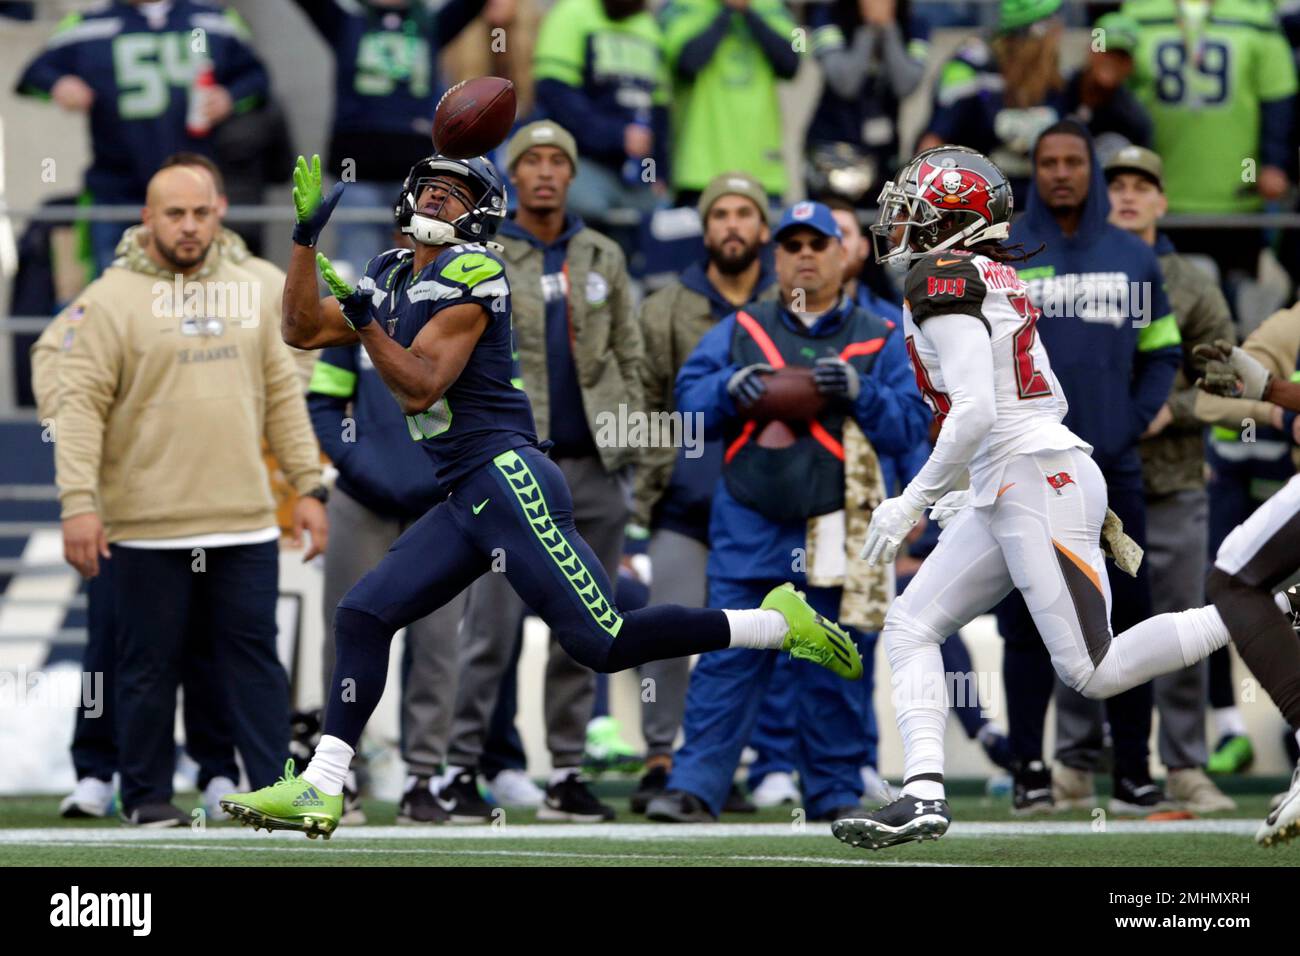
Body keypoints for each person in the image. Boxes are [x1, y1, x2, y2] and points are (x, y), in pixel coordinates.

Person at [217, 151, 862, 838]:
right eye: (429, 187)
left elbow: (420, 385)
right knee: (363, 616)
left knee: (604, 640)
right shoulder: (390, 270)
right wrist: (304, 241)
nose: (436, 198)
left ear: (481, 213)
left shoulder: (475, 270)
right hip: (466, 490)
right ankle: (321, 785)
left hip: (508, 477)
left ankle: (775, 622)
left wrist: (369, 324)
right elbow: (300, 329)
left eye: (453, 192)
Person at [831, 145, 1232, 851]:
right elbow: (996, 405)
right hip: (1020, 474)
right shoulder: (986, 272)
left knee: (1092, 670)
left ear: (953, 221)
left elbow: (979, 410)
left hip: (1035, 474)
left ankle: (1259, 611)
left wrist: (916, 498)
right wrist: (965, 485)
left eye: (918, 214)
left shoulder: (944, 275)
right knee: (911, 626)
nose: (902, 227)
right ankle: (923, 793)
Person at [52, 164, 326, 827]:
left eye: (200, 213)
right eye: (173, 214)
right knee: (147, 667)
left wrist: (309, 486)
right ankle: (145, 797)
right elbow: (79, 407)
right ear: (147, 218)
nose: (188, 226)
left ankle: (274, 792)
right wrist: (78, 503)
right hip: (146, 522)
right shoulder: (110, 298)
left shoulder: (251, 291)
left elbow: (282, 396)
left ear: (221, 211)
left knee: (255, 664)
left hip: (244, 519)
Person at [646, 201, 931, 823]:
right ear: (775, 257)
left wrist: (863, 392)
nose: (804, 254)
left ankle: (832, 792)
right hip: (749, 517)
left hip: (840, 522)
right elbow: (687, 401)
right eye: (792, 244)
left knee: (835, 659)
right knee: (729, 659)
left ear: (843, 254)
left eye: (817, 244)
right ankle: (696, 787)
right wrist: (725, 390)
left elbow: (913, 422)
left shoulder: (880, 335)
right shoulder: (742, 329)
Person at [434, 121, 642, 823]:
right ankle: (459, 769)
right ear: (513, 176)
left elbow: (632, 358)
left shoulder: (602, 254)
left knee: (587, 629)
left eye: (559, 160)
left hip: (593, 466)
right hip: (512, 467)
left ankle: (568, 772)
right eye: (533, 162)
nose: (547, 173)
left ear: (572, 173)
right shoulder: (481, 253)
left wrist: (630, 453)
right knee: (492, 629)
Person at [993, 120, 1182, 816]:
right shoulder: (1006, 256)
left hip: (1113, 473)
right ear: (1034, 172)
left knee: (1128, 618)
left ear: (1091, 172)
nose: (1062, 173)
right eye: (1049, 163)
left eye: (1074, 161)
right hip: (1026, 471)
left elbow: (1163, 351)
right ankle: (1028, 771)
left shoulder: (1134, 256)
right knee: (1025, 621)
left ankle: (1133, 772)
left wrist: (1127, 425)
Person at [1046, 145, 1235, 814]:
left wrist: (1167, 409)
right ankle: (1074, 761)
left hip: (1172, 479)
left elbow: (1229, 379)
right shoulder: (1066, 262)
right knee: (1081, 623)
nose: (1127, 195)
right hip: (1081, 484)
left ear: (1162, 200)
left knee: (1182, 624)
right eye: (1115, 183)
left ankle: (1184, 764)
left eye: (1142, 186)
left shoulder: (1191, 282)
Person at [630, 171, 779, 811]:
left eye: (745, 213)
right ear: (705, 227)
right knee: (666, 629)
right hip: (685, 507)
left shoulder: (792, 303)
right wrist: (665, 476)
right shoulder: (663, 304)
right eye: (720, 214)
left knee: (758, 637)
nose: (732, 225)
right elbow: (644, 402)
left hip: (773, 509)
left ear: (763, 229)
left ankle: (739, 765)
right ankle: (662, 757)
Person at [306, 334, 464, 826]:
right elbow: (324, 399)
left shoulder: (472, 301)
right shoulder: (361, 305)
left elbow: (501, 398)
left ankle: (421, 777)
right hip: (361, 500)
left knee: (438, 644)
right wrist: (352, 462)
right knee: (345, 636)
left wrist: (464, 467)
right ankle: (337, 775)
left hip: (444, 502)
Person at [14, 0, 270, 274]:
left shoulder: (215, 21)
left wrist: (229, 98)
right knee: (117, 295)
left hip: (194, 193)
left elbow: (258, 80)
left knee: (197, 297)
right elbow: (32, 76)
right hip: (117, 193)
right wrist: (59, 84)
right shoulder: (88, 26)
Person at [1121, 0, 1296, 283]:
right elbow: (1116, 89)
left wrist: (1273, 163)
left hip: (1237, 198)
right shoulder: (1137, 14)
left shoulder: (1256, 17)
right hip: (1159, 196)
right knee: (1162, 301)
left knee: (1234, 303)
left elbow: (1277, 97)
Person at [918, 0, 1067, 206]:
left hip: (1035, 201)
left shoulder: (1049, 77)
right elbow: (932, 145)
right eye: (1054, 22)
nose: (1060, 31)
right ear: (1036, 30)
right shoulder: (972, 66)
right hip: (976, 203)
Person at [533, 0, 669, 222]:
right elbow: (556, 97)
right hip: (580, 161)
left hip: (637, 173)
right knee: (587, 213)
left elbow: (659, 112)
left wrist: (660, 172)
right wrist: (616, 135)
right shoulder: (571, 13)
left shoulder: (649, 28)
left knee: (657, 218)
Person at [660, 0, 800, 206]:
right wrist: (727, 11)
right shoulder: (681, 5)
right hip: (699, 172)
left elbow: (792, 64)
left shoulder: (773, 6)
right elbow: (687, 63)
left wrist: (748, 12)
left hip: (762, 173)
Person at [804, 0, 929, 205]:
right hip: (833, 146)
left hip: (883, 152)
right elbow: (845, 83)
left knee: (878, 226)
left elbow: (905, 85)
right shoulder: (828, 15)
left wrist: (888, 29)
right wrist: (869, 30)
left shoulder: (914, 23)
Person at [1061, 12, 1152, 155]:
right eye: (1105, 51)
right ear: (1091, 51)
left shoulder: (1133, 120)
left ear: (1130, 65)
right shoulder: (1057, 89)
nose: (1112, 61)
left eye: (1121, 55)